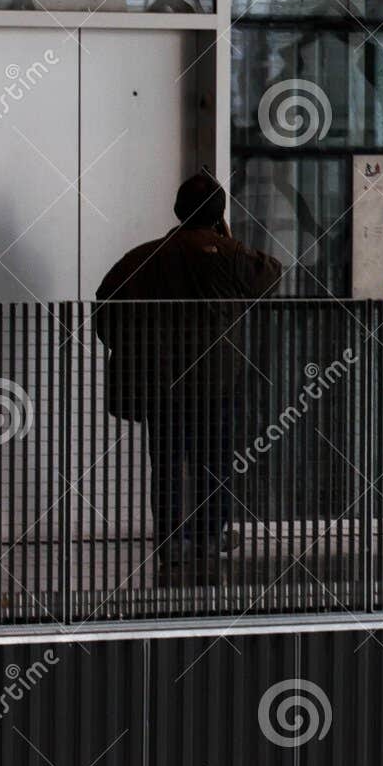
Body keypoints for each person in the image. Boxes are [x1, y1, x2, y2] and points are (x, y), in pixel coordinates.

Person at [94, 171, 282, 582]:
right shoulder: (229, 255)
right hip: (217, 385)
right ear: (219, 215)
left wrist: (128, 349)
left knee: (165, 464)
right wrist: (226, 237)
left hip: (161, 386)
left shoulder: (143, 258)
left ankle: (172, 541)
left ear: (179, 211)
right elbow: (271, 275)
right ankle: (209, 536)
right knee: (214, 462)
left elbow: (105, 306)